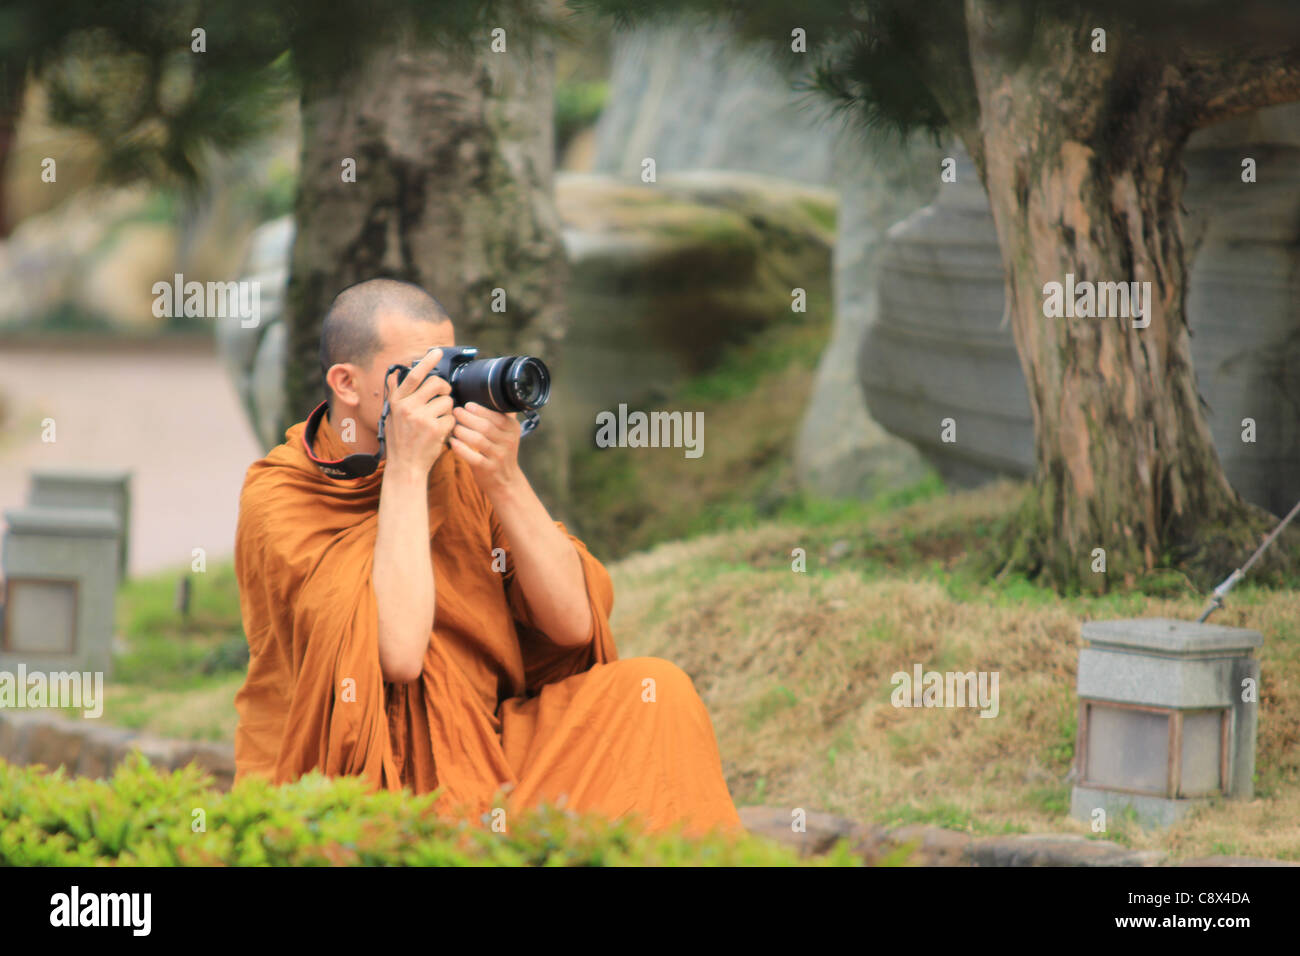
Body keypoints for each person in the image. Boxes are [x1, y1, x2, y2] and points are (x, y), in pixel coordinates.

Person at [231, 277, 743, 838]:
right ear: (346, 383)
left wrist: (504, 478)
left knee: (653, 694)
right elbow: (397, 656)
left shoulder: (457, 470)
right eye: (414, 373)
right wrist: (404, 472)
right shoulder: (281, 495)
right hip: (360, 780)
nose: (439, 391)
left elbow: (573, 624)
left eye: (446, 367)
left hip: (485, 750)